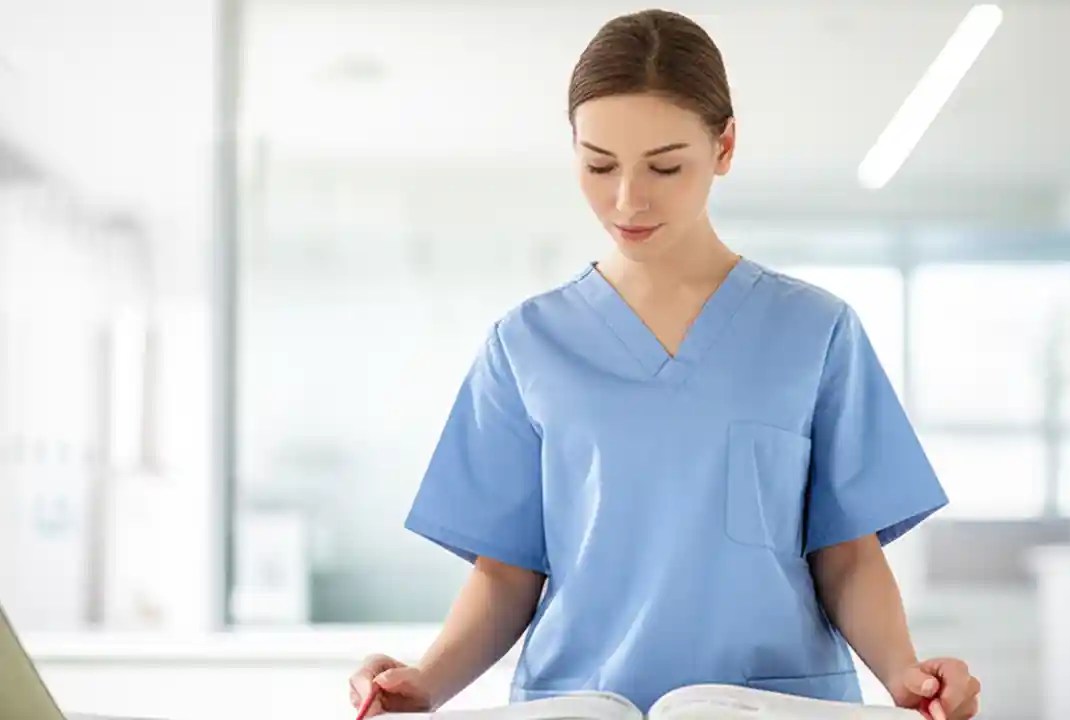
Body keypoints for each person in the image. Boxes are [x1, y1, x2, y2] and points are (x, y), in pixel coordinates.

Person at [349, 8, 980, 720]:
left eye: (665, 166)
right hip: (580, 702)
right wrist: (427, 682)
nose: (627, 199)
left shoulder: (815, 332)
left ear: (725, 146)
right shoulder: (526, 343)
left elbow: (848, 555)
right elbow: (508, 573)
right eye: (598, 165)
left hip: (768, 704)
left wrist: (905, 677)